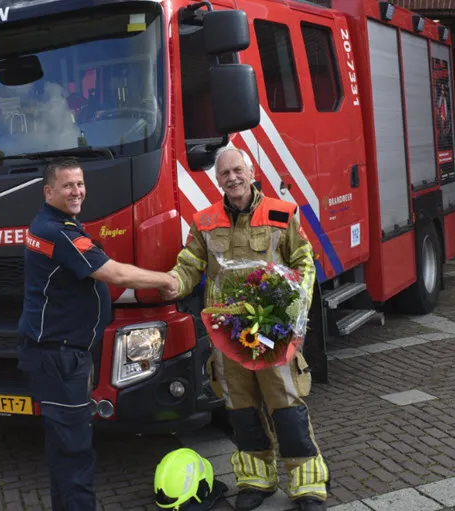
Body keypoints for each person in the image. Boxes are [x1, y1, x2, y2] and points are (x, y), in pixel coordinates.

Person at [161, 147, 329, 511]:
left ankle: (307, 486)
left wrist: (296, 306)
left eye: (238, 170)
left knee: (285, 406)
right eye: (225, 174)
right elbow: (190, 264)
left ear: (251, 171)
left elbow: (303, 260)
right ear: (217, 179)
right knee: (240, 408)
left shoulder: (282, 213)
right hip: (227, 332)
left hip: (272, 331)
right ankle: (256, 479)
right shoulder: (204, 221)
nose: (232, 178)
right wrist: (174, 281)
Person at [17, 156, 178, 511]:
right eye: (67, 185)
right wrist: (166, 279)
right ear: (49, 191)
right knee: (74, 451)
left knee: (64, 447)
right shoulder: (58, 232)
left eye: (80, 184)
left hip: (54, 354)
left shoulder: (54, 225)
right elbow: (115, 274)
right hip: (58, 358)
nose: (77, 191)